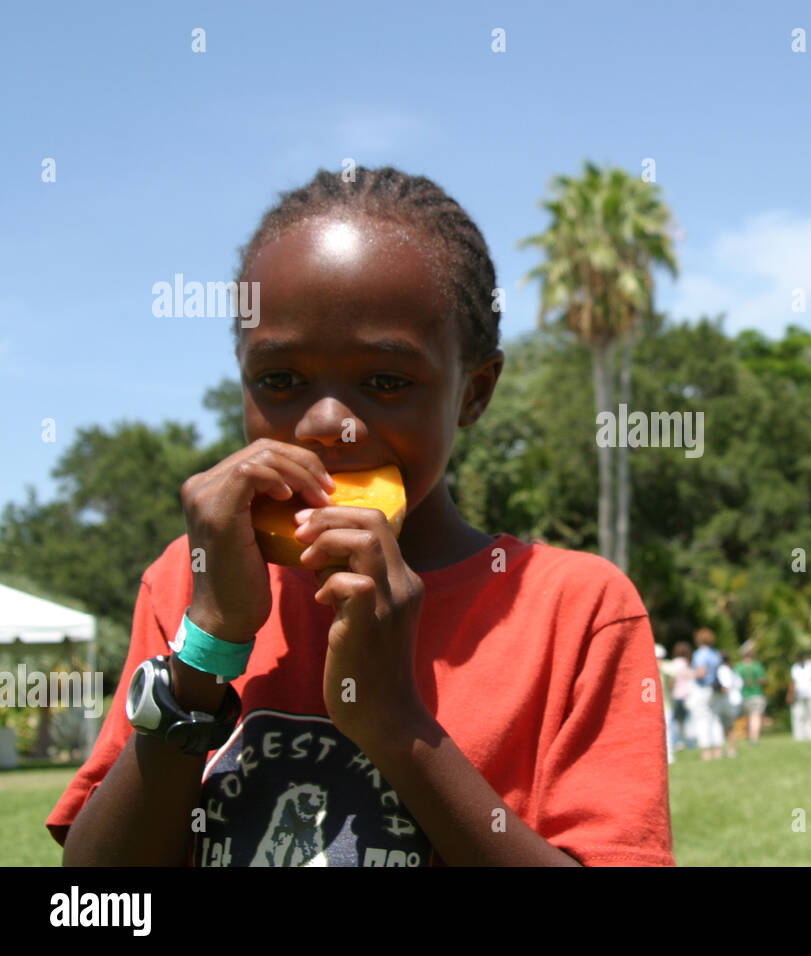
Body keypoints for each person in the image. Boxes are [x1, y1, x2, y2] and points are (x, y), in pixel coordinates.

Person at [47, 167, 673, 867]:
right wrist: (209, 645)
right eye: (279, 380)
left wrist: (393, 721)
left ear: (474, 392)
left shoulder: (572, 609)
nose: (325, 423)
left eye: (385, 382)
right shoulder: (190, 578)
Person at [689, 628, 724, 760]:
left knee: (702, 719)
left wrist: (690, 674)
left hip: (702, 689)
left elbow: (701, 673)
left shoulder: (700, 654)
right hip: (714, 689)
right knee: (715, 719)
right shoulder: (715, 654)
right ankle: (718, 750)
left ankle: (706, 751)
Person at [787, 650, 811, 741]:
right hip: (799, 695)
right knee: (799, 715)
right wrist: (790, 695)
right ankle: (799, 735)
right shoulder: (794, 668)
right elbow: (793, 683)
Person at [735, 644, 767, 744]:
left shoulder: (739, 666)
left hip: (743, 695)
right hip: (756, 693)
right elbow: (762, 681)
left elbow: (735, 681)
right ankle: (754, 737)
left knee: (748, 717)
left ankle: (749, 737)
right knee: (755, 716)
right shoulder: (756, 666)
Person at [716, 651, 742, 759]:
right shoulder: (732, 670)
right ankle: (731, 749)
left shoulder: (722, 670)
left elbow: (725, 687)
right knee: (730, 727)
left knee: (722, 727)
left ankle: (724, 750)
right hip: (734, 701)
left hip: (725, 701)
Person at [670, 641, 695, 750]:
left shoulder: (672, 664)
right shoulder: (685, 664)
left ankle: (676, 741)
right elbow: (692, 677)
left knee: (675, 720)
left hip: (675, 695)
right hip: (685, 695)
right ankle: (689, 742)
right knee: (686, 720)